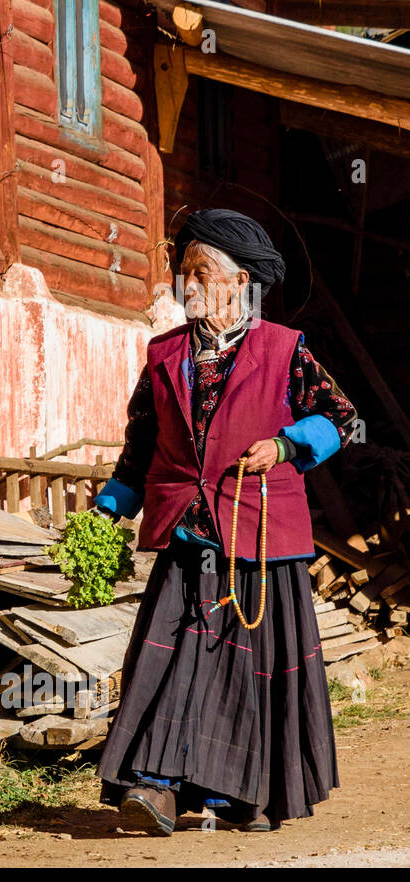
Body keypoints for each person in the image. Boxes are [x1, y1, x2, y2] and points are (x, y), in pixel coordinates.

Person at [93, 208, 359, 834]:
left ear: (242, 281)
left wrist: (287, 447)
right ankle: (153, 787)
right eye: (184, 272)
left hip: (260, 536)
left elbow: (341, 418)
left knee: (248, 669)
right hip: (188, 532)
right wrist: (112, 505)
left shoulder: (284, 349)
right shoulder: (164, 356)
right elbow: (143, 442)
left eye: (203, 271)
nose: (190, 285)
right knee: (171, 659)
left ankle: (244, 796)